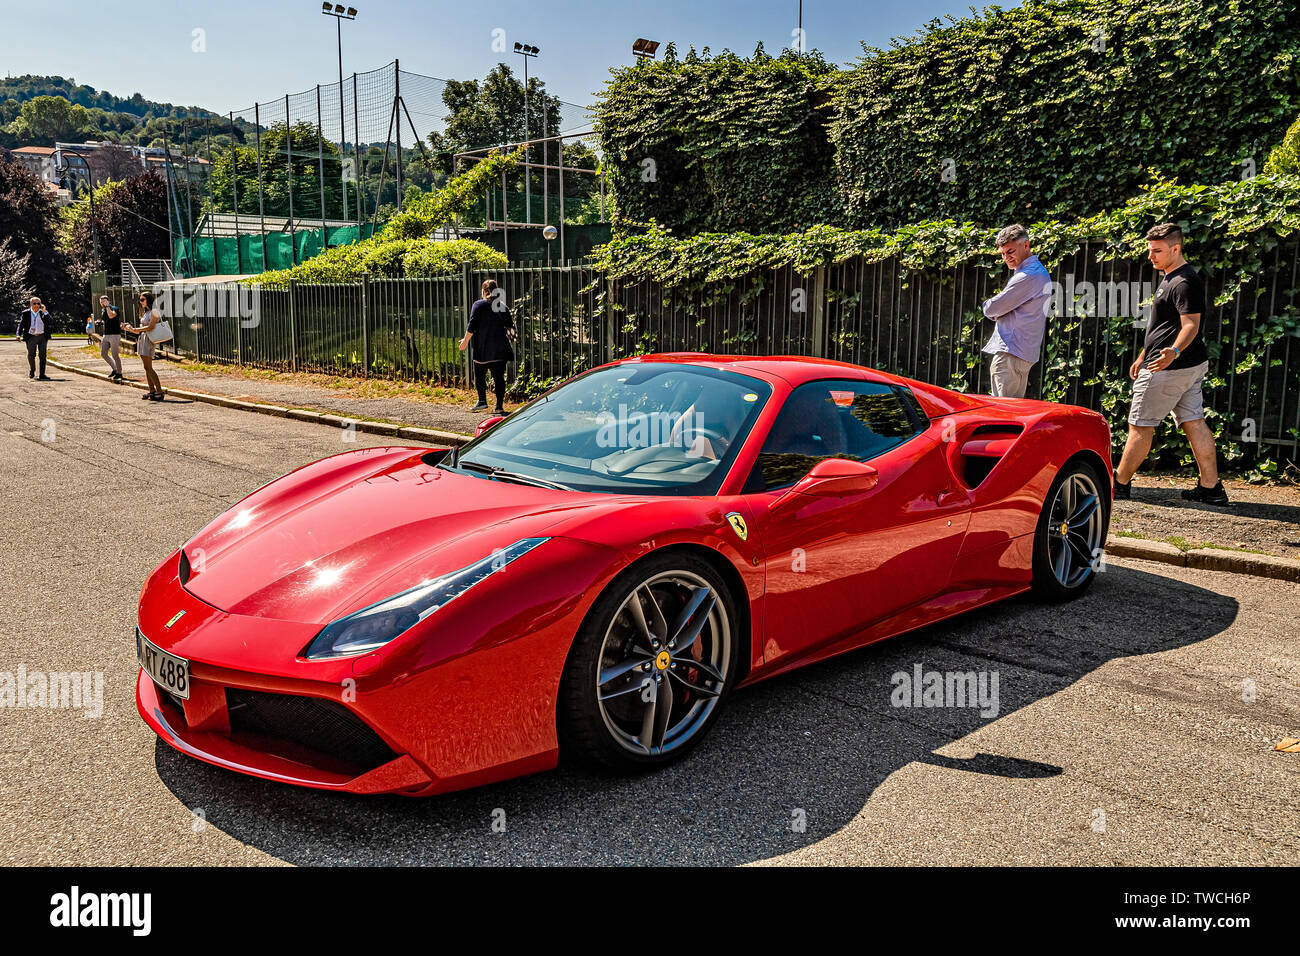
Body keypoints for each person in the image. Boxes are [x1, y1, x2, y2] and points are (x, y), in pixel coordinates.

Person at [1113, 223, 1226, 504]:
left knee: (1140, 425)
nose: (1150, 256)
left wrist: (1173, 351)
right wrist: (1143, 354)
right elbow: (1165, 325)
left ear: (1176, 249)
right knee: (1194, 422)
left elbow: (1191, 325)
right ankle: (1211, 488)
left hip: (1168, 368)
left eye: (1157, 251)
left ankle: (1118, 484)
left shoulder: (1183, 282)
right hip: (1187, 366)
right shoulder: (1172, 277)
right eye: (1150, 250)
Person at [980, 224, 1052, 398]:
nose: (1006, 258)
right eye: (1003, 254)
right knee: (1011, 410)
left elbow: (992, 308)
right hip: (1019, 353)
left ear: (1026, 245)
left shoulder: (1028, 275)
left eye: (1010, 251)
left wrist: (989, 307)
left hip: (1011, 354)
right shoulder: (1036, 272)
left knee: (1002, 411)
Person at [458, 278, 514, 414]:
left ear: (483, 291)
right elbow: (511, 328)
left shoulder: (478, 305)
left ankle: (482, 401)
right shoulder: (502, 306)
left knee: (480, 375)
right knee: (499, 377)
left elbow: (472, 325)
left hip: (482, 349)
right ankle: (499, 406)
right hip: (500, 350)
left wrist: (465, 341)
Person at [122, 291, 165, 401]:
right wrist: (130, 329)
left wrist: (135, 329)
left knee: (148, 367)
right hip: (143, 338)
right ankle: (152, 391)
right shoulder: (146, 312)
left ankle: (159, 392)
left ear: (148, 300)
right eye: (140, 300)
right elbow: (140, 330)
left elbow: (150, 327)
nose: (140, 302)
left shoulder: (154, 312)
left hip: (149, 340)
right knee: (146, 367)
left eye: (142, 300)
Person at [16, 296, 52, 380]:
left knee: (43, 356)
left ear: (41, 304)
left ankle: (42, 374)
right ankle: (32, 370)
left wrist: (45, 311)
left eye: (38, 303)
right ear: (31, 304)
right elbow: (21, 325)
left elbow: (50, 321)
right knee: (31, 355)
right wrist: (18, 334)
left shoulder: (43, 312)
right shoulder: (26, 313)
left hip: (42, 336)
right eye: (34, 303)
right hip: (31, 336)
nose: (36, 305)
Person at [96, 295, 124, 382]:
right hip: (106, 335)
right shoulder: (103, 310)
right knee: (103, 354)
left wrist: (107, 306)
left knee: (115, 355)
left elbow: (111, 316)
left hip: (114, 334)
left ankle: (119, 373)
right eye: (101, 302)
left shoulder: (115, 308)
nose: (102, 303)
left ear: (108, 301)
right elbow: (107, 319)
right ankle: (114, 369)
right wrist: (100, 322)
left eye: (104, 301)